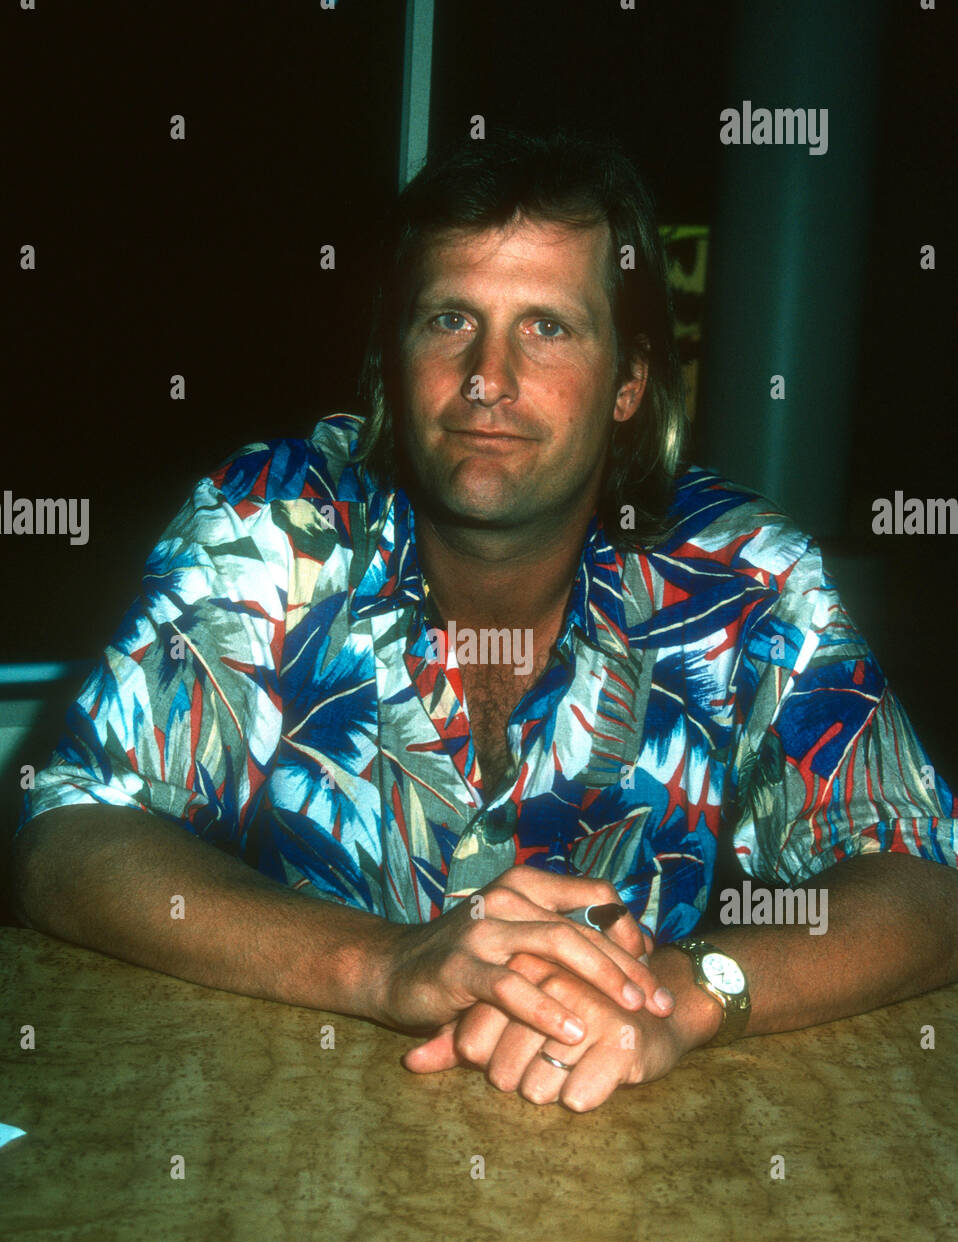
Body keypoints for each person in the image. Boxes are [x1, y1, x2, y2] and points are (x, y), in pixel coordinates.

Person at [11, 129, 958, 1113]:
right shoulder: (275, 524)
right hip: (290, 1148)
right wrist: (385, 966)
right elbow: (70, 838)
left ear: (629, 383)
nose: (485, 377)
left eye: (546, 326)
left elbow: (928, 887)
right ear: (395, 354)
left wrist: (688, 991)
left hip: (618, 1158)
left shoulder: (736, 578)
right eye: (450, 318)